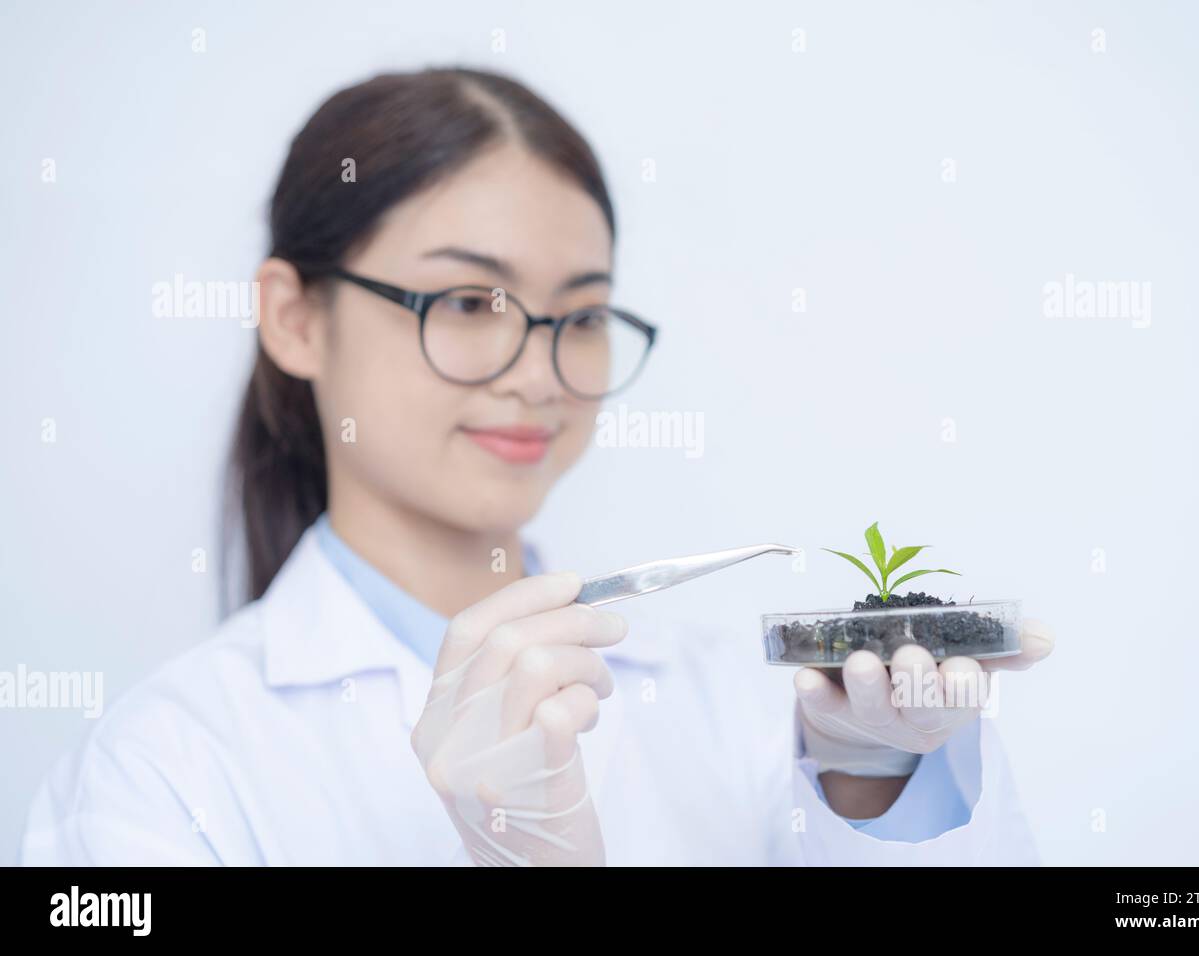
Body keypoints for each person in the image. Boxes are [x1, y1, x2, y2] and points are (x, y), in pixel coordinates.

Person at [21, 67, 1053, 866]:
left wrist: (877, 788)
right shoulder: (165, 770)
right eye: (470, 303)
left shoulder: (732, 706)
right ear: (294, 317)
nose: (537, 373)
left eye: (583, 314)